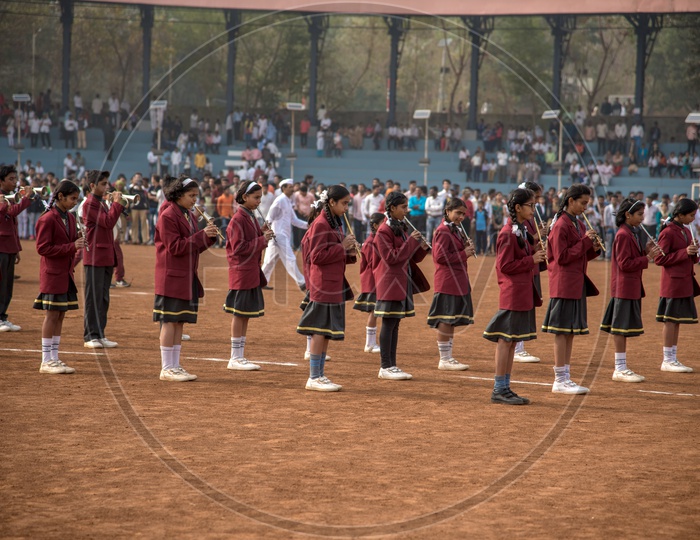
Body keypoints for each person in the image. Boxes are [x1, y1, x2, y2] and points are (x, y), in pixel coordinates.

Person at [483, 188, 547, 404]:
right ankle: (499, 388)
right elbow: (504, 265)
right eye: (530, 205)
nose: (533, 209)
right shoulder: (508, 232)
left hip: (521, 290)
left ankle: (505, 387)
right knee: (505, 340)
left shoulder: (519, 229)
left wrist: (535, 250)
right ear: (518, 207)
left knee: (511, 341)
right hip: (512, 292)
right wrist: (532, 259)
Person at [154, 175, 218, 381]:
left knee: (180, 321)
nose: (194, 200)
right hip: (171, 276)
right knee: (170, 321)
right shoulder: (168, 215)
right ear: (178, 195)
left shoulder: (188, 215)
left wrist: (208, 237)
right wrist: (201, 235)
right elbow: (176, 247)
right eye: (191, 195)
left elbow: (194, 247)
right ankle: (167, 368)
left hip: (185, 274)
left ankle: (175, 365)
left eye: (196, 196)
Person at [296, 186, 359, 391]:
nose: (346, 208)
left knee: (325, 331)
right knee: (318, 330)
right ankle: (313, 377)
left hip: (332, 282)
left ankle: (320, 375)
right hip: (322, 284)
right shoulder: (321, 224)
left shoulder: (334, 222)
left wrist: (348, 249)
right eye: (344, 203)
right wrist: (341, 246)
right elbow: (316, 257)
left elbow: (332, 253)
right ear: (331, 202)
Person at [541, 184, 602, 394]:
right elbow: (562, 257)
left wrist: (593, 248)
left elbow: (580, 255)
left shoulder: (577, 224)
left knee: (570, 331)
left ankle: (565, 377)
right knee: (561, 331)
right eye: (583, 203)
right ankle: (559, 379)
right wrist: (585, 243)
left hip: (575, 282)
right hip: (563, 283)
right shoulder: (560, 225)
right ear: (570, 201)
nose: (585, 207)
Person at [600, 198, 662, 382]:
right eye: (640, 214)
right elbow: (624, 264)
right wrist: (648, 258)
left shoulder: (632, 233)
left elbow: (631, 258)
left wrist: (645, 252)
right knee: (619, 328)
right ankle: (619, 368)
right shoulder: (623, 234)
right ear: (628, 215)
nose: (643, 218)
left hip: (630, 286)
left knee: (623, 326)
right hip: (623, 287)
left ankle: (621, 366)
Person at [373, 191, 430, 380]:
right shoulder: (383, 231)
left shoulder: (401, 228)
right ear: (392, 208)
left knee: (395, 323)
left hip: (401, 281)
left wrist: (421, 247)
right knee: (389, 323)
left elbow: (410, 257)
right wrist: (412, 241)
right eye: (403, 207)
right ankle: (385, 366)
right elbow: (391, 258)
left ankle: (392, 365)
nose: (407, 210)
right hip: (390, 283)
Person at [34, 180, 86, 374]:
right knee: (51, 315)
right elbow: (43, 248)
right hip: (52, 274)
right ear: (61, 196)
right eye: (72, 198)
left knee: (61, 315)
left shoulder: (70, 218)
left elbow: (68, 239)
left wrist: (79, 236)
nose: (75, 202)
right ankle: (46, 360)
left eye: (77, 199)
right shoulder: (47, 219)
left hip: (65, 274)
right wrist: (72, 246)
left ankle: (54, 357)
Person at [224, 181, 275, 371]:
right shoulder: (238, 218)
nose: (259, 201)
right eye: (256, 198)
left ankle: (239, 355)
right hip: (242, 273)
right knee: (239, 314)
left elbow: (248, 240)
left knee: (245, 314)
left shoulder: (249, 216)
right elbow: (238, 248)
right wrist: (263, 239)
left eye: (260, 198)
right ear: (245, 197)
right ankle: (235, 357)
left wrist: (260, 232)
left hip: (250, 271)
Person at [428, 198, 476, 371]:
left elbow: (451, 252)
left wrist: (463, 247)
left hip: (457, 280)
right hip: (447, 281)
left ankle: (448, 356)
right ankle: (444, 359)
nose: (461, 217)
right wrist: (464, 253)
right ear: (448, 211)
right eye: (458, 213)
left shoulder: (454, 230)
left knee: (452, 319)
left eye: (463, 214)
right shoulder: (443, 231)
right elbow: (439, 257)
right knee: (446, 319)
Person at [654, 198, 699, 373]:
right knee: (670, 320)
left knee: (677, 320)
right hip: (672, 283)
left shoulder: (686, 230)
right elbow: (659, 258)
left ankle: (672, 357)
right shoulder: (668, 232)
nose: (693, 219)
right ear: (680, 214)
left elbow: (690, 256)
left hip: (684, 280)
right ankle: (667, 359)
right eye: (690, 215)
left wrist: (694, 251)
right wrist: (684, 252)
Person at [82, 170, 125, 348]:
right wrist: (116, 204)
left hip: (105, 256)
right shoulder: (89, 204)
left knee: (103, 298)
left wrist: (114, 204)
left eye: (107, 183)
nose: (107, 187)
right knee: (93, 298)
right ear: (92, 186)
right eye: (103, 184)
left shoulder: (101, 202)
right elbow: (107, 222)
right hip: (94, 257)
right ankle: (90, 335)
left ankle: (100, 333)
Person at [513, 181, 546, 363]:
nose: (537, 202)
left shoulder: (531, 217)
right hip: (525, 268)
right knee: (521, 307)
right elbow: (521, 244)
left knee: (529, 306)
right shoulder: (518, 221)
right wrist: (536, 237)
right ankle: (518, 347)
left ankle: (520, 345)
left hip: (531, 267)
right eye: (534, 199)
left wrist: (541, 237)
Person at [0, 166, 33, 332]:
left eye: (15, 179)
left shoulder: (9, 197)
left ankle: (2, 316)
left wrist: (17, 248)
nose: (15, 182)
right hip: (1, 247)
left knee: (7, 285)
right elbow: (11, 213)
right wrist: (26, 199)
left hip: (9, 247)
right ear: (1, 181)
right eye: (11, 179)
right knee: (1, 283)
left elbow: (12, 225)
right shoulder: (2, 198)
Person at [261, 179, 308, 291]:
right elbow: (270, 216)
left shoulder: (287, 201)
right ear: (283, 188)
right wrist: (267, 229)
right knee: (290, 258)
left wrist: (309, 225)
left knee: (269, 261)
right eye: (290, 187)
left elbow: (294, 220)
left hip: (281, 235)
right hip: (278, 235)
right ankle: (302, 282)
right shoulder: (280, 200)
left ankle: (261, 281)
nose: (293, 188)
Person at [353, 212, 385, 354]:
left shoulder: (374, 240)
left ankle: (371, 343)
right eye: (383, 223)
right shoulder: (372, 242)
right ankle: (370, 344)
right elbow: (374, 264)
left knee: (375, 311)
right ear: (375, 225)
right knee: (374, 312)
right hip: (372, 281)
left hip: (373, 281)